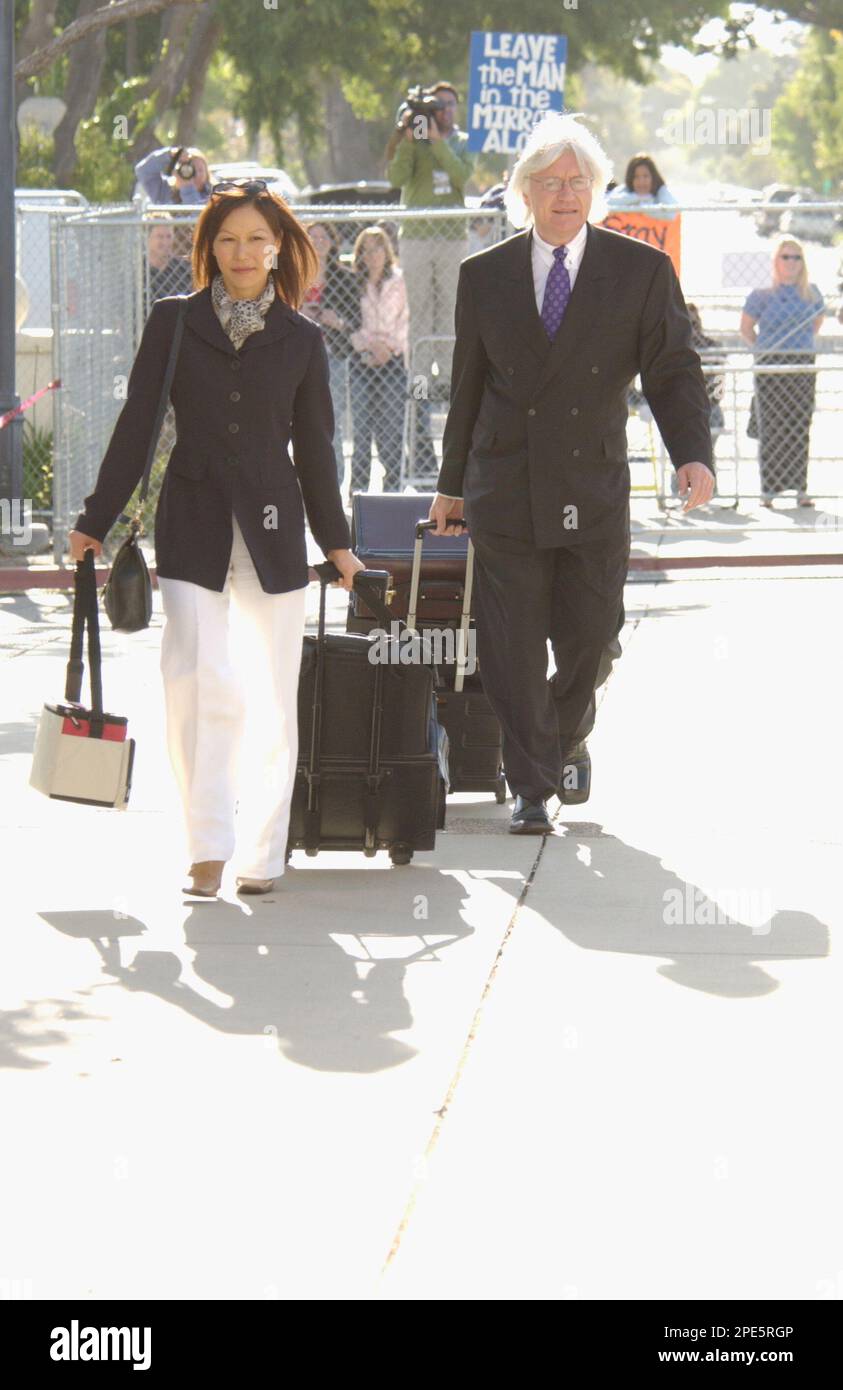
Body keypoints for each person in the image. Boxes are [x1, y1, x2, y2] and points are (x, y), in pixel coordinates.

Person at [68, 177, 364, 898]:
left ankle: (263, 850)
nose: (242, 251)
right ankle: (205, 844)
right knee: (194, 680)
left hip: (273, 528)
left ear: (279, 247)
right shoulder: (173, 321)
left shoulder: (302, 338)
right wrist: (94, 521)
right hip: (191, 518)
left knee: (269, 693)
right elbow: (138, 423)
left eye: (257, 238)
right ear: (209, 247)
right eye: (228, 238)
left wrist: (337, 544)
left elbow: (316, 449)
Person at [428, 112, 714, 833]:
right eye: (550, 182)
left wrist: (692, 452)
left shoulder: (639, 271)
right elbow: (466, 386)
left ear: (595, 189)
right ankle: (530, 784)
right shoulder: (483, 276)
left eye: (577, 180)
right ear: (522, 192)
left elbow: (673, 371)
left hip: (592, 485)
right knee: (512, 642)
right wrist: (451, 483)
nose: (565, 194)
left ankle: (562, 736)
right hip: (506, 486)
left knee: (590, 636)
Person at [386, 81, 475, 474]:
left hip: (452, 236)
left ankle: (449, 373)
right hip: (417, 237)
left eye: (449, 104)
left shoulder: (461, 141)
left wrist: (438, 140)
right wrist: (409, 138)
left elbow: (461, 177)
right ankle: (421, 377)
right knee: (420, 308)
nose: (444, 110)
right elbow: (395, 177)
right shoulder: (415, 140)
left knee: (451, 307)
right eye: (437, 105)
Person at [740, 237, 824, 507]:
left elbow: (816, 324)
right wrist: (766, 350)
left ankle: (800, 488)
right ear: (776, 261)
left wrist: (796, 347)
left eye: (796, 257)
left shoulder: (811, 292)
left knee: (799, 424)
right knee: (772, 425)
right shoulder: (761, 293)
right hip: (770, 364)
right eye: (785, 257)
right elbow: (746, 328)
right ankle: (769, 489)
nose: (791, 263)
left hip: (801, 364)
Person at [347, 225, 409, 493]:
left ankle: (392, 488)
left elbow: (405, 321)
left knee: (391, 428)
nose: (372, 255)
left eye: (378, 248)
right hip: (362, 359)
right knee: (361, 429)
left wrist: (388, 348)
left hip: (393, 360)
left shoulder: (399, 280)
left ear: (388, 250)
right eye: (366, 250)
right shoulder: (351, 283)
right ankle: (358, 490)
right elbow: (348, 322)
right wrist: (369, 346)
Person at [300, 220, 362, 487]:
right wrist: (301, 313)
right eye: (312, 236)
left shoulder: (344, 277)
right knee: (297, 422)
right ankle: (301, 484)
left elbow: (356, 322)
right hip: (298, 357)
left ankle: (331, 485)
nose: (318, 241)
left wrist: (336, 320)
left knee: (330, 421)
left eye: (323, 236)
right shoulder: (295, 275)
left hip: (333, 357)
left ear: (333, 242)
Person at [606, 154, 679, 221]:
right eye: (636, 177)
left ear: (653, 177)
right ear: (631, 179)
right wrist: (637, 198)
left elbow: (670, 214)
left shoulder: (662, 190)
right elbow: (605, 205)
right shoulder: (626, 189)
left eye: (645, 176)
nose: (641, 181)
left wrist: (643, 206)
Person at [145, 214, 193, 312]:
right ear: (147, 238)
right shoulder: (138, 270)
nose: (165, 241)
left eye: (169, 236)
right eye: (160, 236)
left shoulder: (183, 269)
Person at [134, 145, 212, 205]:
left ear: (207, 173)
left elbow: (198, 219)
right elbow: (142, 171)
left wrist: (187, 189)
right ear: (178, 171)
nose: (196, 175)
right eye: (189, 170)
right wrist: (170, 155)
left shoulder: (213, 196)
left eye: (200, 170)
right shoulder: (164, 190)